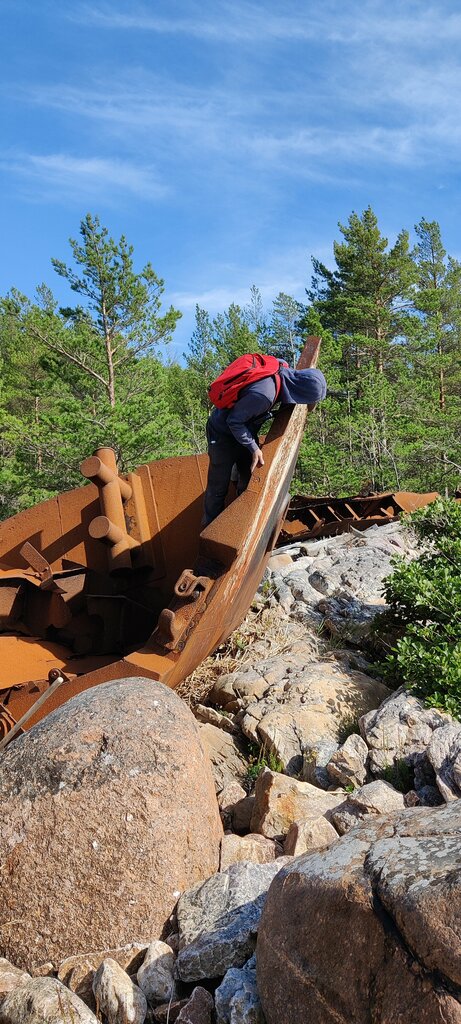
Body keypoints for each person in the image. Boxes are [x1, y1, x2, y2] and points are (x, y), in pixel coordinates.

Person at [202, 362, 327, 525]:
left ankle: (240, 520)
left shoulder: (284, 369)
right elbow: (234, 422)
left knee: (248, 476)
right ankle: (210, 528)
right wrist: (254, 448)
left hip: (245, 428)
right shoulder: (264, 395)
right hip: (222, 432)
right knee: (218, 486)